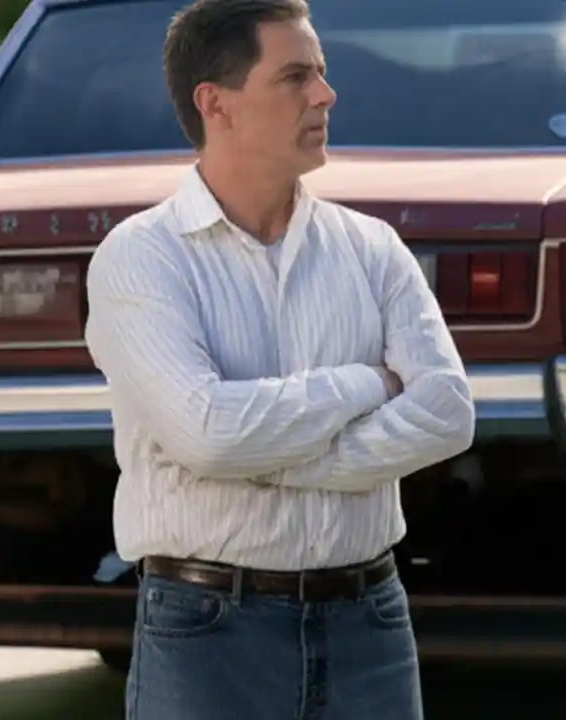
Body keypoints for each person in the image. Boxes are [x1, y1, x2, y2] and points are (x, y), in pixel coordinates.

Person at [83, 1, 475, 717]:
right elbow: (209, 434)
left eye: (321, 74)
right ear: (216, 103)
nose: (325, 95)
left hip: (371, 623)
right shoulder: (141, 260)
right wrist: (365, 384)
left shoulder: (372, 247)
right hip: (208, 636)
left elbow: (448, 414)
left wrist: (270, 460)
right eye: (295, 76)